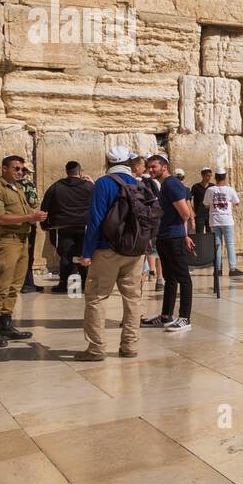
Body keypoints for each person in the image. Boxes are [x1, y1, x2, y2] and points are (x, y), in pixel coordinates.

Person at [74, 147, 155, 361]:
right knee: (132, 298)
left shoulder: (103, 183)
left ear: (108, 162)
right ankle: (129, 345)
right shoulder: (139, 183)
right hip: (134, 251)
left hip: (106, 250)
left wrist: (87, 252)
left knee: (97, 298)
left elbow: (95, 220)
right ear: (129, 162)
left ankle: (96, 348)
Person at [0, 155, 47, 348]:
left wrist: (37, 216)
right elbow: (0, 218)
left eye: (21, 169)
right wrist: (30, 216)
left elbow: (27, 208)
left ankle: (5, 324)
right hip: (7, 242)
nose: (19, 172)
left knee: (14, 286)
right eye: (15, 169)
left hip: (22, 241)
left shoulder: (17, 188)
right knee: (1, 286)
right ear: (4, 169)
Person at [141, 154, 194, 333]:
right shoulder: (165, 185)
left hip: (174, 237)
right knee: (170, 279)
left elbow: (185, 213)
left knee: (183, 278)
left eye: (154, 167)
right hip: (165, 237)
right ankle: (165, 316)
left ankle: (185, 318)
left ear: (164, 167)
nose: (150, 170)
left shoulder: (171, 184)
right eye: (149, 167)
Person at [40, 161, 93, 295]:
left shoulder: (56, 187)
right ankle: (85, 283)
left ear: (66, 172)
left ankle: (63, 284)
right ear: (80, 172)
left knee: (65, 256)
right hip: (84, 227)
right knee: (83, 254)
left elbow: (45, 207)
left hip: (63, 228)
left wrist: (45, 226)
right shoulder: (89, 187)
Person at [202, 170, 243, 276]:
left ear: (215, 177)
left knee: (217, 245)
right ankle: (232, 269)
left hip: (214, 220)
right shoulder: (229, 189)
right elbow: (237, 202)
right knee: (230, 244)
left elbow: (206, 204)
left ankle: (218, 270)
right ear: (225, 177)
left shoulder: (210, 190)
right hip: (227, 220)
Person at [18, 165, 44, 293]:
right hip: (28, 222)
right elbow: (33, 202)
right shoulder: (27, 184)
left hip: (13, 222)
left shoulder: (6, 184)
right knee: (28, 255)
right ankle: (27, 283)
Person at [190, 167, 214, 234]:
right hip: (199, 214)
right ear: (202, 175)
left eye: (210, 176)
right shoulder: (195, 187)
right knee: (199, 234)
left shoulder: (212, 186)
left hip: (210, 214)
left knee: (210, 234)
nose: (209, 178)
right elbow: (189, 199)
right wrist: (192, 211)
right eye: (207, 176)